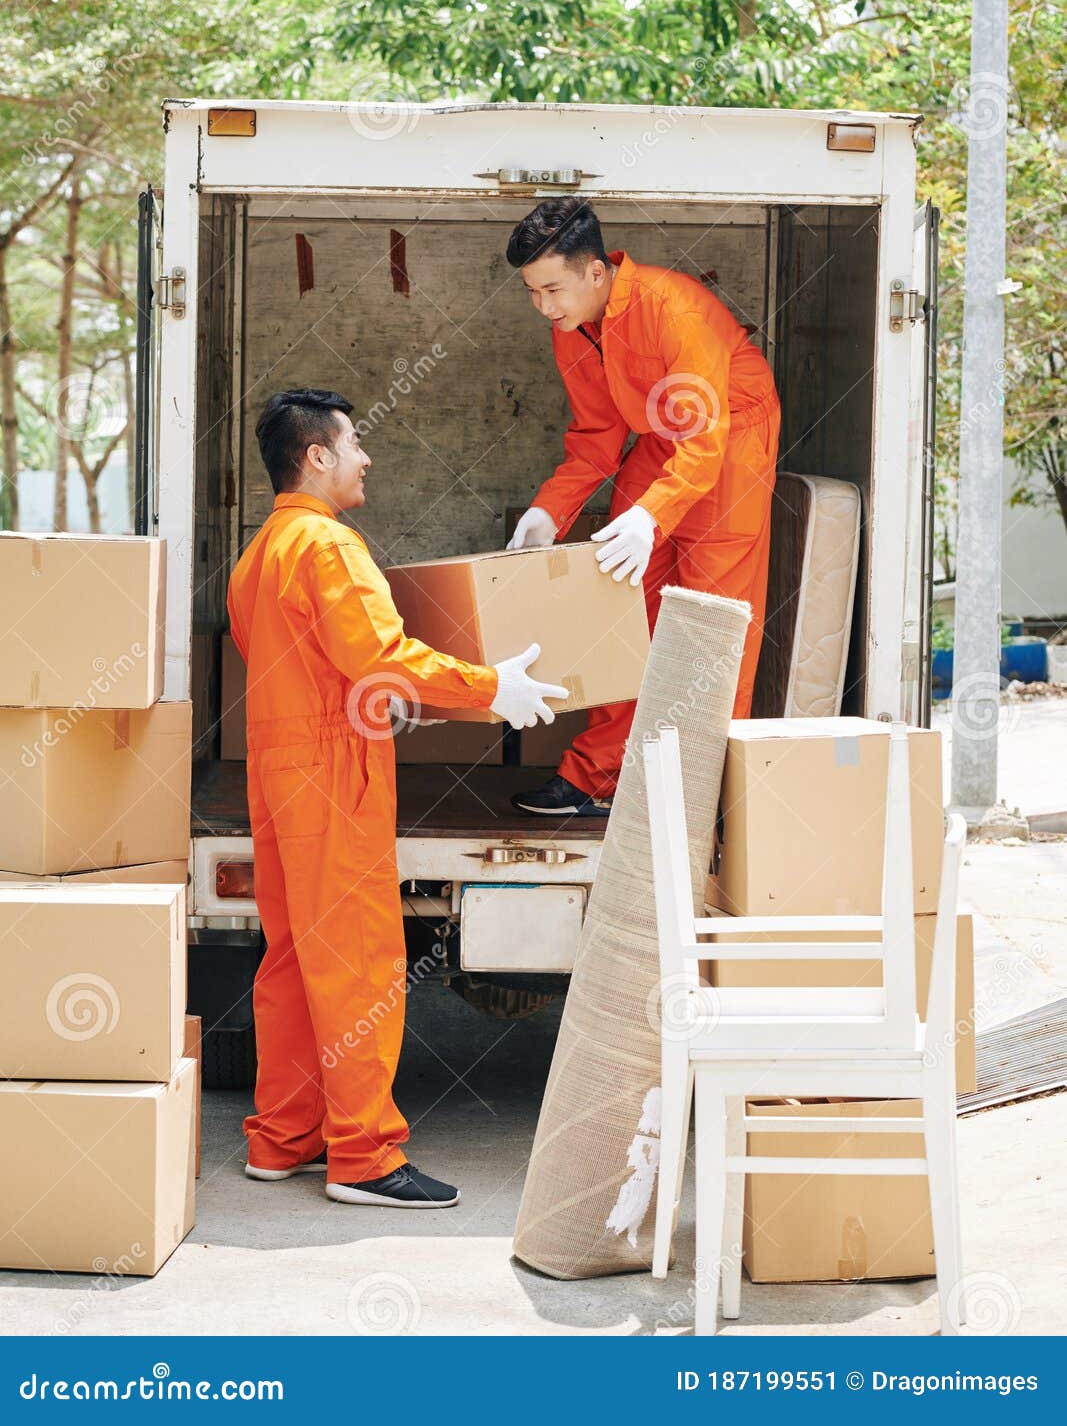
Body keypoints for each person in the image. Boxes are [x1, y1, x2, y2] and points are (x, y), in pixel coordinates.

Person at [227, 389, 565, 1208]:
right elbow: (378, 657)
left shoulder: (259, 553)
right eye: (353, 444)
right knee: (358, 966)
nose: (365, 458)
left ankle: (285, 1137)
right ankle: (366, 1160)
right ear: (316, 456)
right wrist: (490, 687)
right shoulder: (328, 547)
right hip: (333, 770)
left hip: (277, 770)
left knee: (294, 961)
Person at [505, 199, 780, 818]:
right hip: (663, 440)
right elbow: (597, 436)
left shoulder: (671, 307)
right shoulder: (571, 328)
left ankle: (697, 798)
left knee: (713, 619)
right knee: (622, 606)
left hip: (731, 438)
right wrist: (550, 511)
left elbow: (707, 438)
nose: (545, 306)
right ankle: (597, 776)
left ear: (596, 272)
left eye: (553, 289)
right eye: (532, 292)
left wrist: (654, 514)